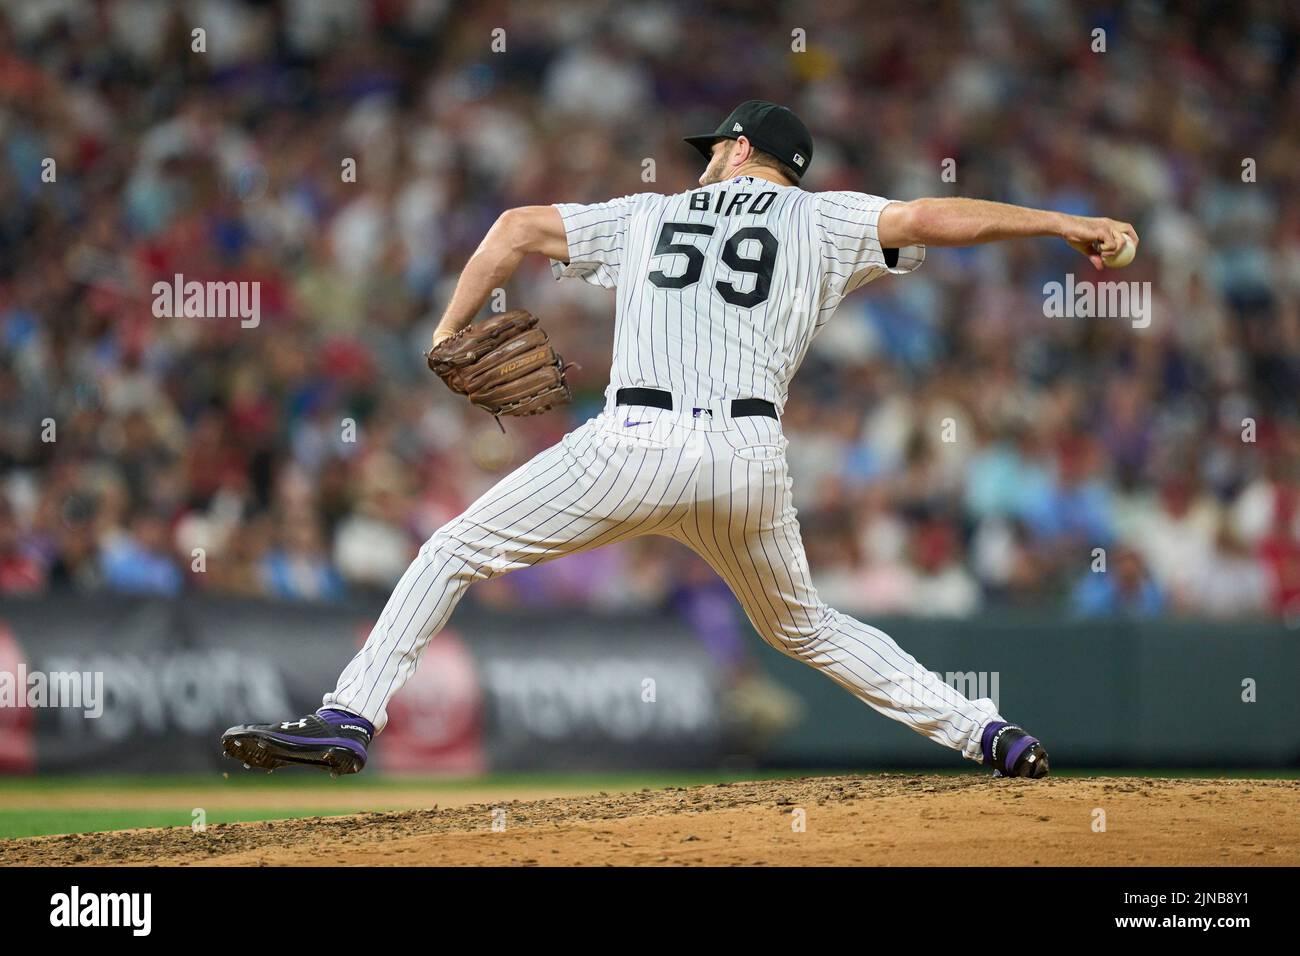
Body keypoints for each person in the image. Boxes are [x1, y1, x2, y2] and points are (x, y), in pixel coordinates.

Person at [223, 100, 1138, 779]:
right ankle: (986, 731)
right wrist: (1061, 223)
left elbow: (513, 229)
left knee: (456, 547)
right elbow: (930, 218)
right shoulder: (828, 219)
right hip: (748, 464)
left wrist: (444, 332)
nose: (704, 160)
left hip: (634, 442)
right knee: (805, 627)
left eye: (717, 147)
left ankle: (350, 714)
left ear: (743, 148)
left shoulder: (649, 214)